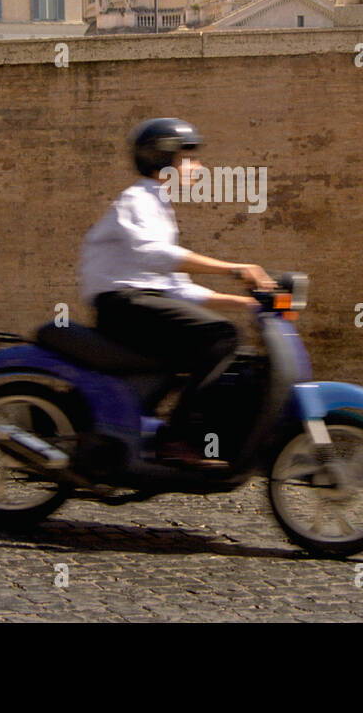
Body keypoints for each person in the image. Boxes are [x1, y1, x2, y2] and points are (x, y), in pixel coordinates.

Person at [79, 118, 275, 468]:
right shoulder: (138, 199)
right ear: (162, 159)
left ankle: (186, 434)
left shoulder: (159, 206)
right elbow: (155, 255)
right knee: (221, 335)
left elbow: (174, 286)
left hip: (144, 303)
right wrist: (233, 268)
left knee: (232, 350)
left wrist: (243, 301)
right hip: (123, 305)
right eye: (189, 159)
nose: (197, 167)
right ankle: (177, 439)